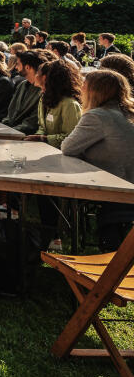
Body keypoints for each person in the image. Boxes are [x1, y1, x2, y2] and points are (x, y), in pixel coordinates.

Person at [61, 70, 134, 248]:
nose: (81, 88)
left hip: (114, 185)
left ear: (95, 91)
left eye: (85, 85)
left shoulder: (98, 116)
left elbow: (68, 147)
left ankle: (57, 235)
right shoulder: (126, 112)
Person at [26, 59, 83, 250]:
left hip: (66, 159)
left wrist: (43, 139)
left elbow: (71, 137)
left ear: (47, 78)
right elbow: (43, 126)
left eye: (39, 73)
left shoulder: (69, 105)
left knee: (44, 188)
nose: (35, 76)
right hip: (45, 154)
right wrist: (39, 137)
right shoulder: (44, 99)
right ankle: (18, 217)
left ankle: (54, 236)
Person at [2, 49, 48, 134]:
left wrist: (9, 132)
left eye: (18, 64)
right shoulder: (22, 85)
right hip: (11, 131)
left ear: (27, 67)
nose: (16, 67)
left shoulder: (44, 89)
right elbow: (11, 112)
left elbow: (33, 122)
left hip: (26, 136)